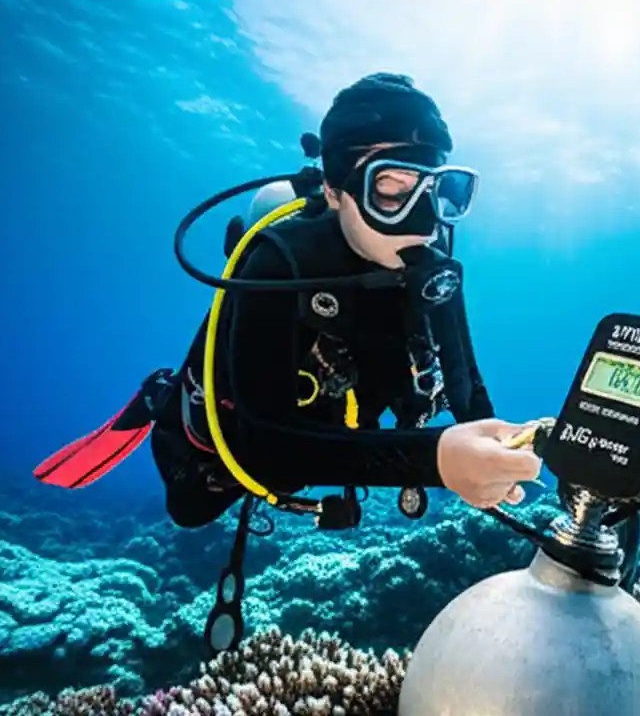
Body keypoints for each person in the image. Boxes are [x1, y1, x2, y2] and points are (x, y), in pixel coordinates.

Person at [34, 73, 544, 531]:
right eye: (390, 189)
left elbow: (465, 390)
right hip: (247, 429)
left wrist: (502, 446)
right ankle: (161, 397)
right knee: (191, 511)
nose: (425, 221)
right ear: (335, 189)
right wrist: (435, 461)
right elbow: (266, 447)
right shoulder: (278, 264)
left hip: (339, 416)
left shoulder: (433, 270)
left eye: (439, 192)